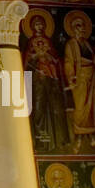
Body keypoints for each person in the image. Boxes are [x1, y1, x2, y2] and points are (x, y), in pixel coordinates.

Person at [23, 13, 71, 151]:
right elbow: (26, 62)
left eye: (41, 24)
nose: (40, 26)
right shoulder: (30, 43)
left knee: (57, 109)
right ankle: (40, 141)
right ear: (32, 27)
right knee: (38, 109)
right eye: (37, 24)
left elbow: (56, 59)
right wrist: (36, 56)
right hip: (38, 80)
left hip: (52, 78)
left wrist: (49, 56)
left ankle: (62, 139)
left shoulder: (49, 42)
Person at [63, 13, 95, 145]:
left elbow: (94, 60)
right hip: (80, 79)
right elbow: (68, 62)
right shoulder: (71, 44)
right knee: (81, 107)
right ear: (74, 28)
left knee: (93, 107)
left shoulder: (86, 43)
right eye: (79, 26)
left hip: (92, 78)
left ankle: (92, 138)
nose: (82, 29)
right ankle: (79, 137)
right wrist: (72, 77)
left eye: (83, 26)